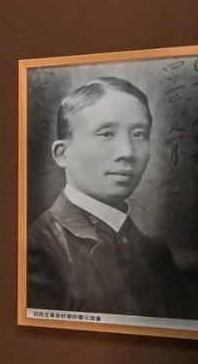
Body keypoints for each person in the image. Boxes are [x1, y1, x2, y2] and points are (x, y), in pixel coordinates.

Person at [27, 76, 185, 318]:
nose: (127, 152)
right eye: (106, 134)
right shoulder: (37, 249)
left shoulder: (156, 254)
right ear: (62, 153)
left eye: (139, 134)